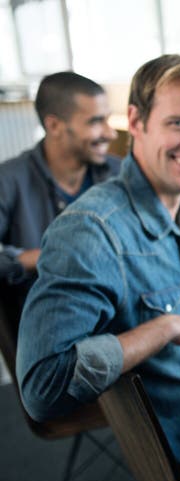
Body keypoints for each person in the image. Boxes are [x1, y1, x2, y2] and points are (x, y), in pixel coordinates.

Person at [16, 55, 180, 468]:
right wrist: (167, 328)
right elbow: (43, 389)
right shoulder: (90, 232)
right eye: (179, 123)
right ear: (136, 121)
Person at [0, 72, 119, 313]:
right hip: (44, 317)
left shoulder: (119, 172)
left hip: (115, 312)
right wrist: (49, 256)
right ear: (54, 126)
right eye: (96, 121)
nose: (110, 133)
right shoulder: (9, 179)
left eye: (107, 119)